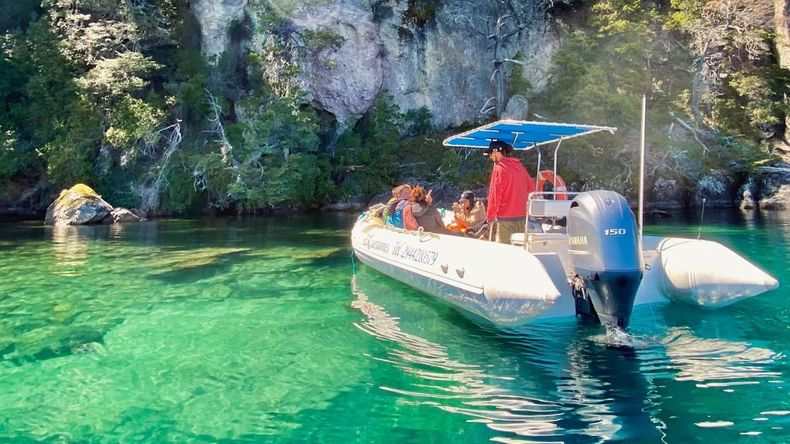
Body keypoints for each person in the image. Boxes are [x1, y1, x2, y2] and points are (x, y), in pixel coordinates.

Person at [485, 140, 535, 244]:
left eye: (490, 154)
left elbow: (495, 195)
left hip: (505, 218)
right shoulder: (520, 167)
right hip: (522, 217)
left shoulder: (499, 169)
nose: (490, 157)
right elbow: (531, 188)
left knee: (505, 252)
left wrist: (490, 215)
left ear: (496, 152)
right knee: (520, 248)